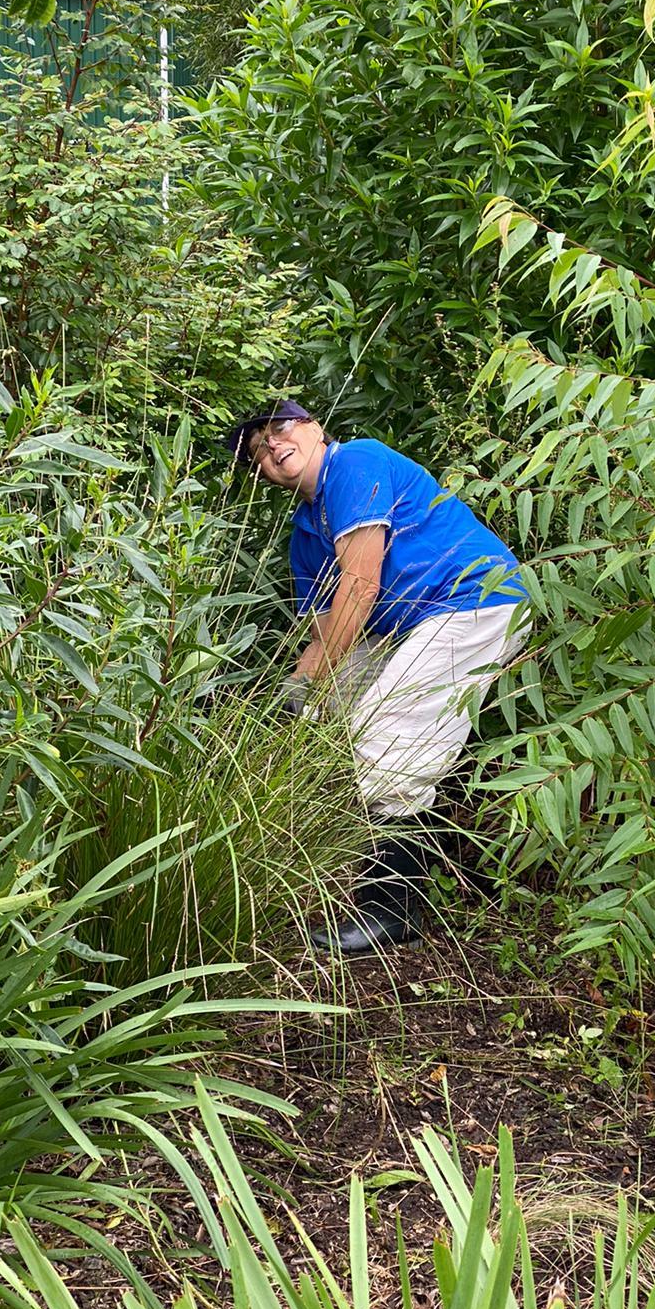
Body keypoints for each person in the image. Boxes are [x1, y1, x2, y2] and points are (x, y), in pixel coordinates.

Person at [230, 397, 528, 953]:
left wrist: (308, 685)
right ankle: (344, 859)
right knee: (328, 717)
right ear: (263, 478)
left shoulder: (357, 462)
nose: (271, 445)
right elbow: (324, 635)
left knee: (386, 733)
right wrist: (297, 695)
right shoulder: (304, 535)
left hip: (475, 601)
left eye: (279, 428)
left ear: (315, 428)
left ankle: (392, 909)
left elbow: (361, 586)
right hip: (409, 625)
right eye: (258, 453)